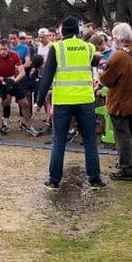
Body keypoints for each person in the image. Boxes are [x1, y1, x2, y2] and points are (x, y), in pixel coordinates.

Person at [36, 16, 105, 189]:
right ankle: (95, 179)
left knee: (59, 140)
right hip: (85, 100)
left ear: (62, 31)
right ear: (77, 31)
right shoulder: (88, 47)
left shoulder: (57, 48)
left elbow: (47, 76)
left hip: (63, 101)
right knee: (90, 141)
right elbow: (99, 61)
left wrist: (39, 101)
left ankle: (54, 180)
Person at [100, 24, 132, 181]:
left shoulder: (118, 56)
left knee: (122, 136)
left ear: (117, 38)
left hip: (120, 103)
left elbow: (106, 80)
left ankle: (126, 169)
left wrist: (99, 77)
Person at [0, 40, 27, 142]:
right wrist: (3, 79)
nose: (3, 51)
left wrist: (14, 80)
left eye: (5, 49)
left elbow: (22, 72)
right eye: (1, 49)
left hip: (13, 82)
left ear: (9, 49)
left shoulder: (15, 55)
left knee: (25, 103)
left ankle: (28, 124)